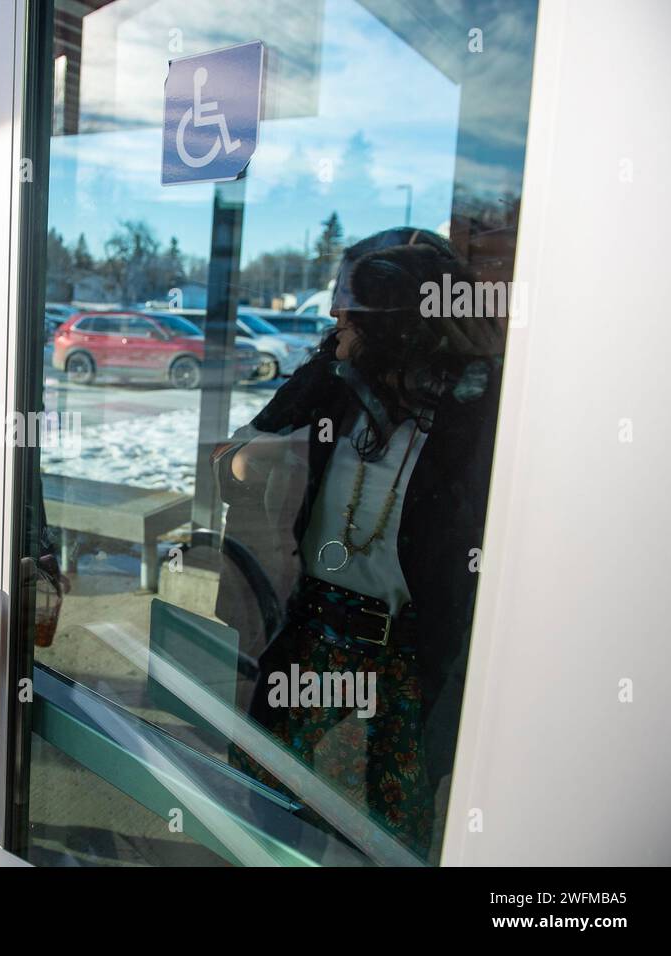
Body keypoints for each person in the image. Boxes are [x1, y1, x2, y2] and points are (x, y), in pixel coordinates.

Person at [214, 228, 503, 862]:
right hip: (320, 621)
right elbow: (236, 453)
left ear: (400, 322)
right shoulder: (338, 377)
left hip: (410, 642)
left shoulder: (476, 407)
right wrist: (265, 450)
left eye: (352, 301)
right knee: (263, 779)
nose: (333, 313)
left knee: (395, 821)